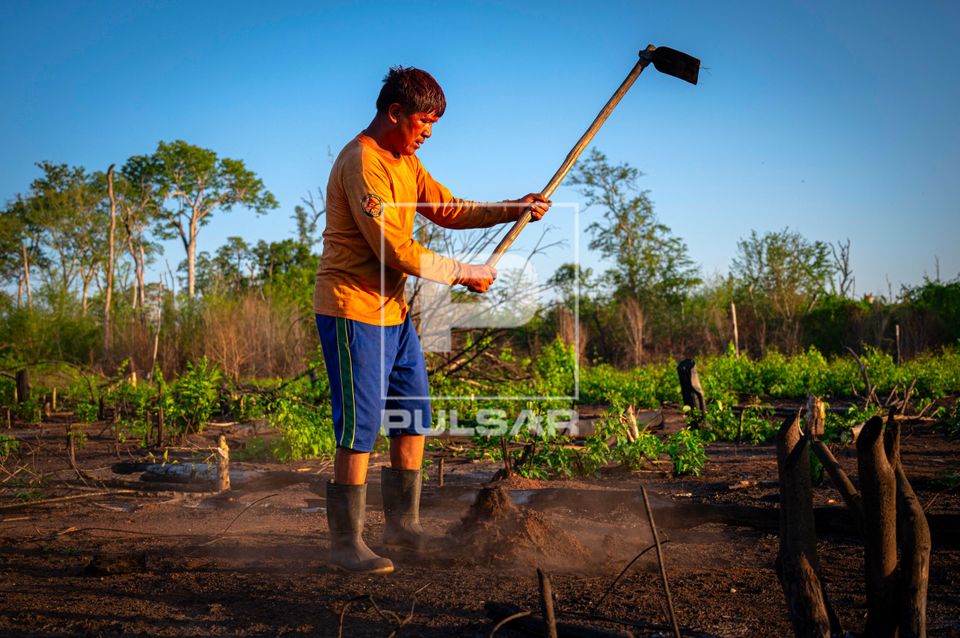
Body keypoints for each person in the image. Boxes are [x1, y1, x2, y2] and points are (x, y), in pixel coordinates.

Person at [314, 66, 550, 574]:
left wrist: (515, 208)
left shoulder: (407, 162)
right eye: (423, 122)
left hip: (393, 314)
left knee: (412, 413)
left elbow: (448, 209)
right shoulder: (363, 162)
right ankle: (345, 543)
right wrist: (464, 273)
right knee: (361, 424)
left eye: (433, 126)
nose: (427, 133)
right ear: (395, 113)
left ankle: (403, 529)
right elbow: (393, 249)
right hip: (352, 308)